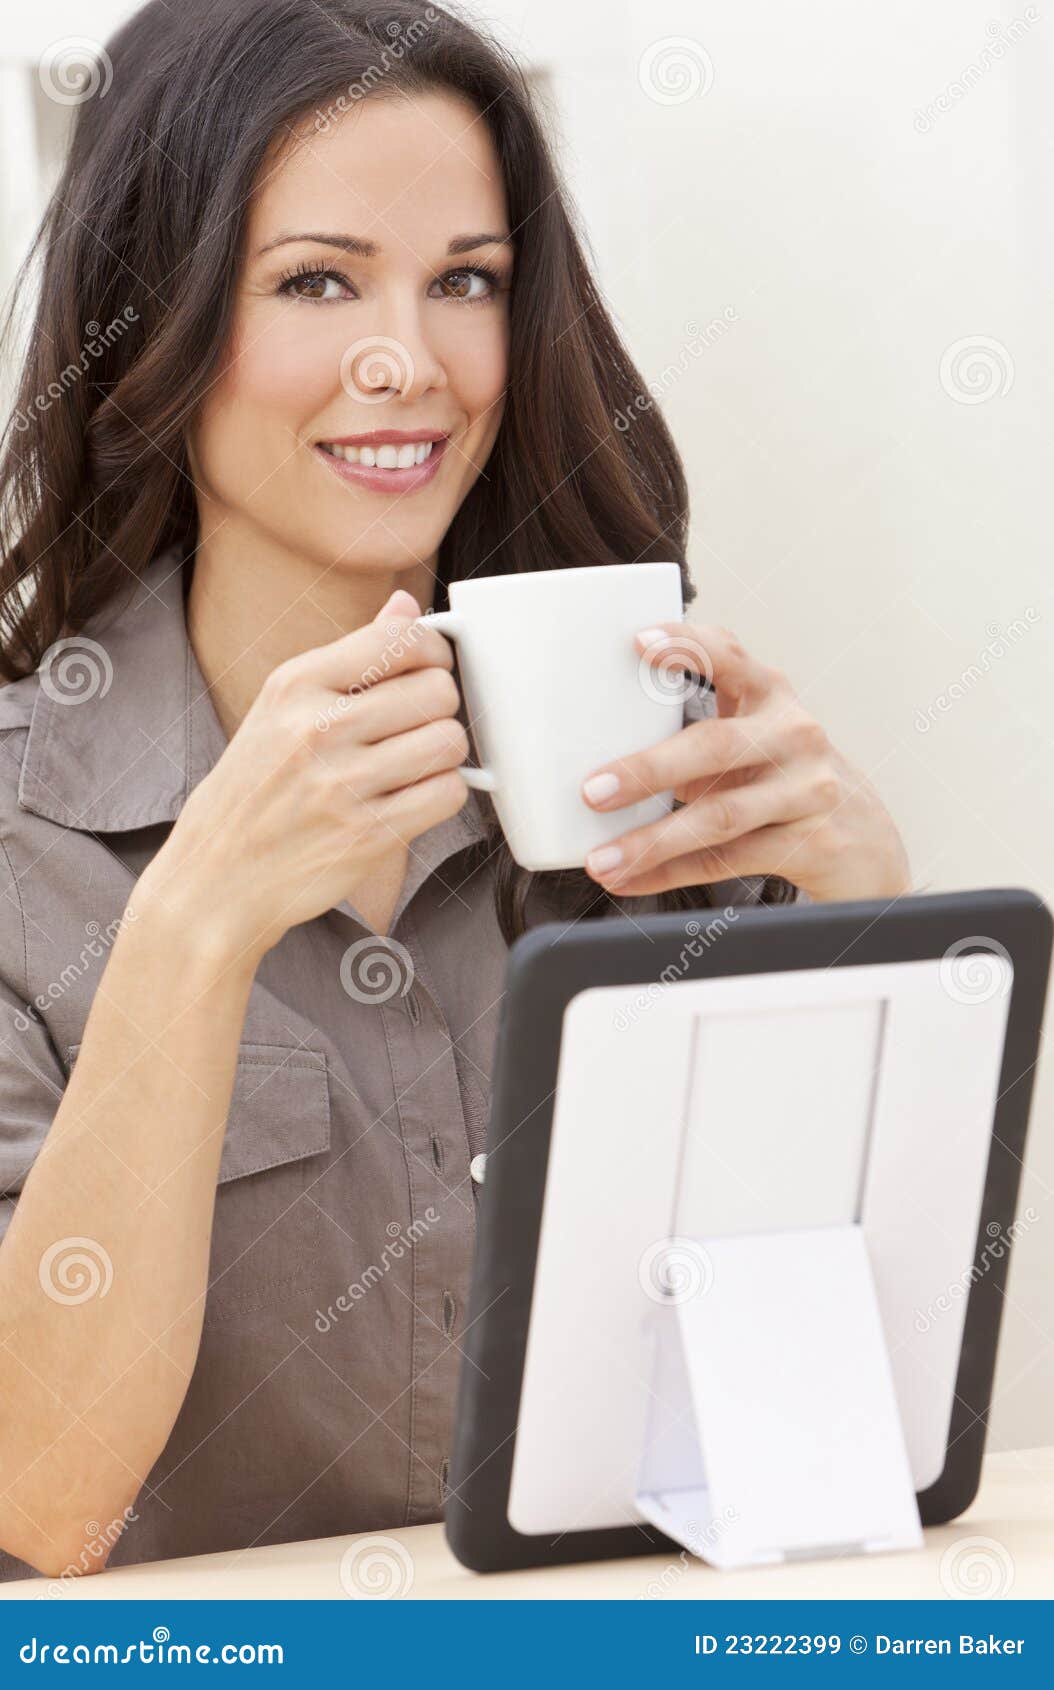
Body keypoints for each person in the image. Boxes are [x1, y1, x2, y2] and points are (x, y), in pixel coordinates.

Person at [0, 0, 910, 1580]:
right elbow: (37, 1498)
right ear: (156, 317)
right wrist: (195, 925)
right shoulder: (25, 835)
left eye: (465, 283)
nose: (404, 364)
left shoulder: (653, 772)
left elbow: (816, 1421)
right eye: (314, 280)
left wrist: (876, 931)